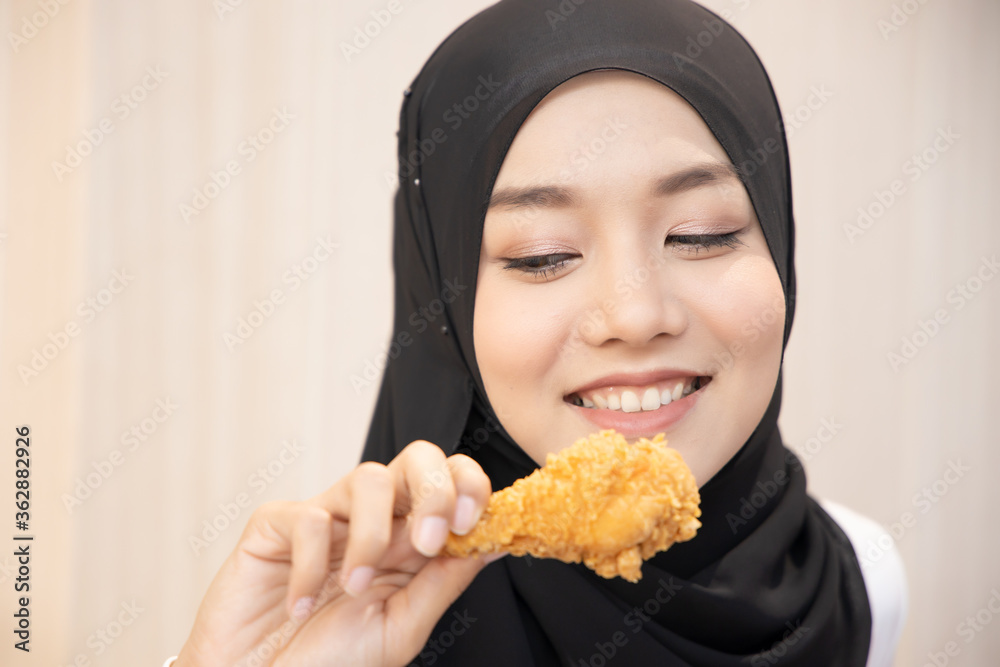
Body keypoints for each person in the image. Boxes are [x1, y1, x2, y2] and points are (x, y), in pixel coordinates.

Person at [171, 0, 907, 665]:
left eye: (699, 235)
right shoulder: (342, 618)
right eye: (543, 256)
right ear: (446, 302)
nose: (635, 314)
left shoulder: (862, 579)